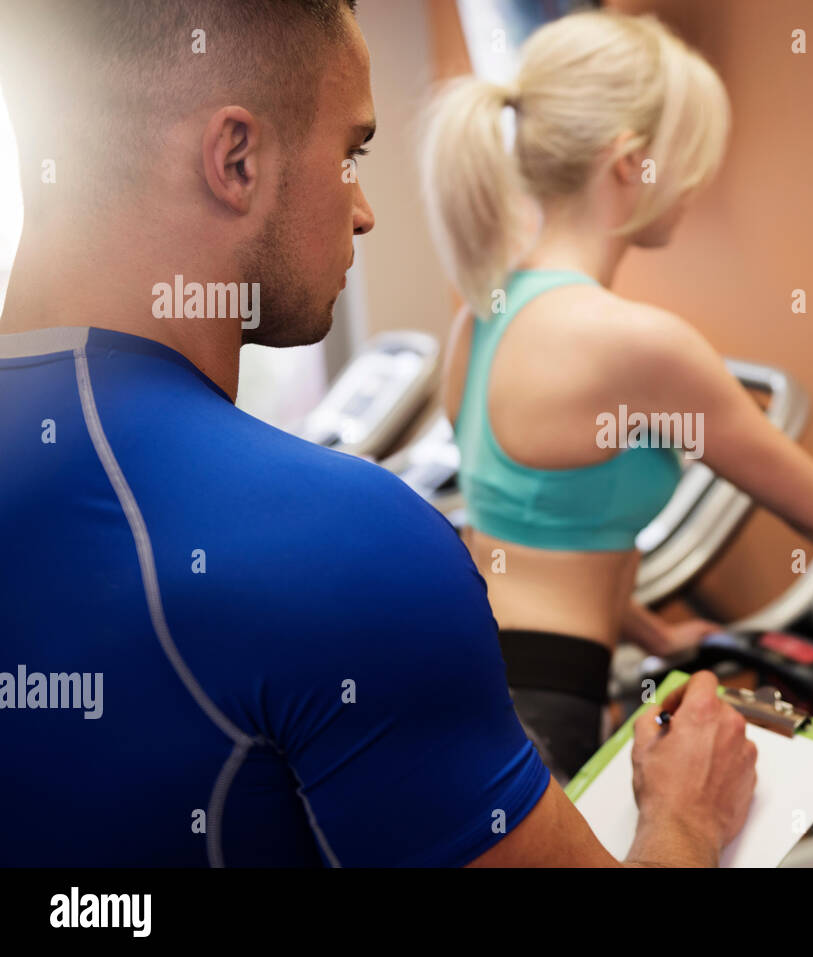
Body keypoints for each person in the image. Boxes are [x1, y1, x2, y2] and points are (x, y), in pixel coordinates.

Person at [0, 0, 754, 868]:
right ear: (236, 159)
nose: (362, 211)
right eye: (350, 153)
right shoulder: (344, 543)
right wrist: (686, 815)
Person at [422, 10, 813, 781]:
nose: (695, 185)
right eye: (686, 158)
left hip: (471, 663)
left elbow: (540, 532)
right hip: (547, 700)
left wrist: (654, 633)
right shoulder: (635, 342)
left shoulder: (477, 317)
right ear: (630, 163)